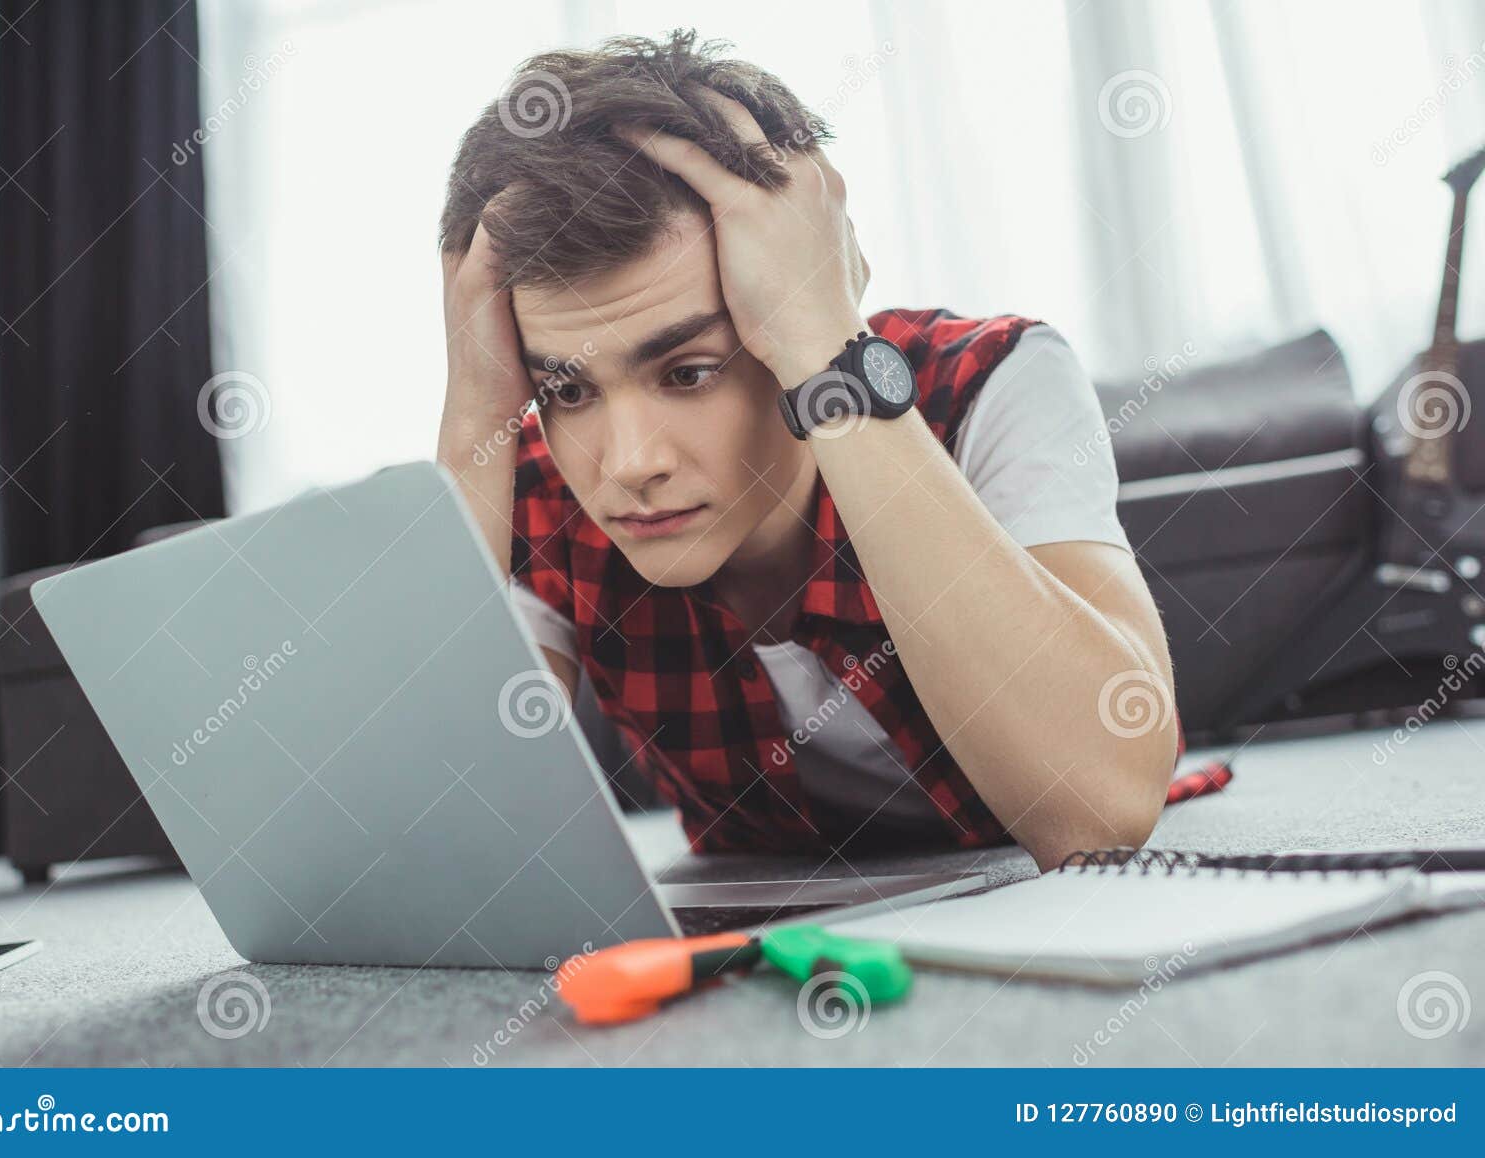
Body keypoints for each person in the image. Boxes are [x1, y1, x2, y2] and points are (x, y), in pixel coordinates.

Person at [435, 30, 1177, 869]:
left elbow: (1099, 810)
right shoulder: (530, 489)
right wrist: (472, 421)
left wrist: (826, 346)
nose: (629, 463)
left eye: (689, 371)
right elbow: (433, 861)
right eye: (567, 390)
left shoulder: (985, 384)